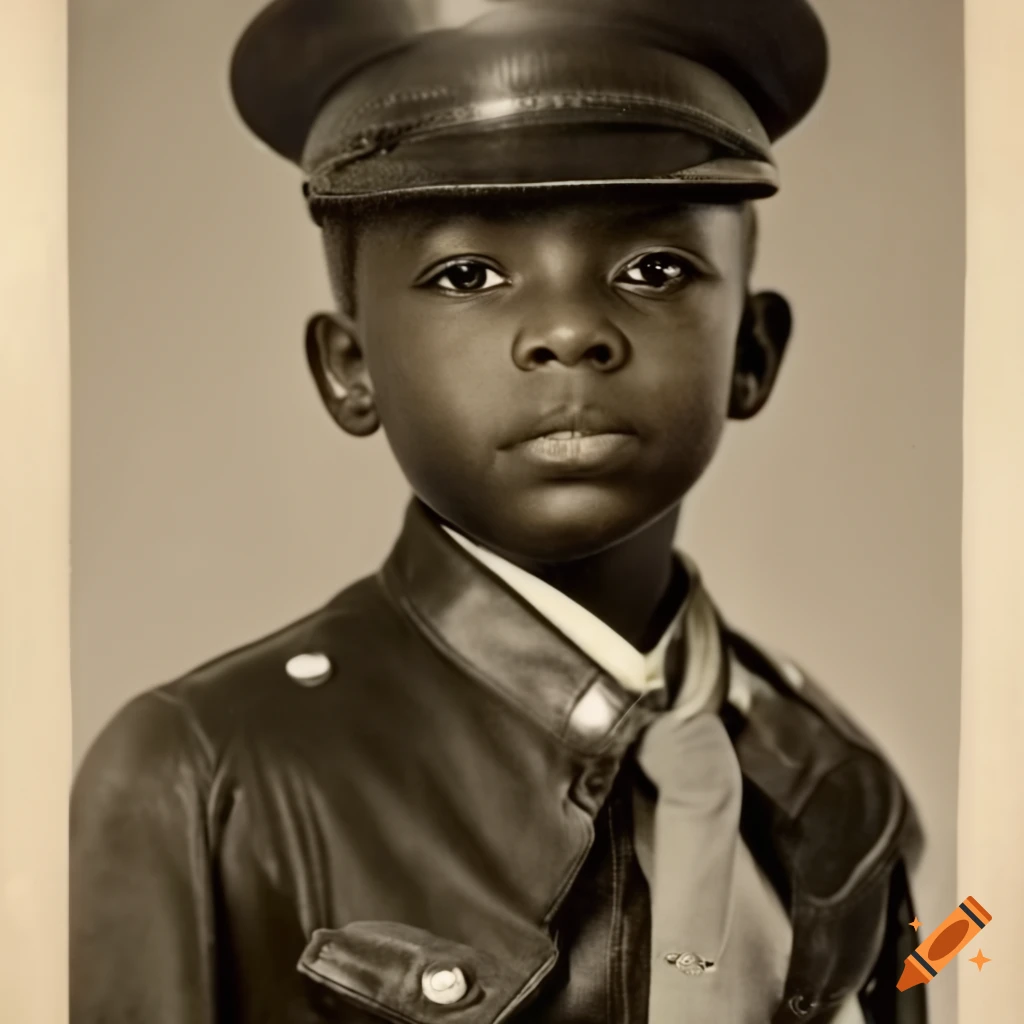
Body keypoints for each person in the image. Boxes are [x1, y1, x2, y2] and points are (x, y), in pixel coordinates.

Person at [70, 2, 928, 1022]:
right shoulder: (207, 772)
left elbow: (944, 964)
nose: (569, 331)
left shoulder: (840, 780)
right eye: (467, 274)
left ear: (751, 351)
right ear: (350, 371)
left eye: (652, 269)